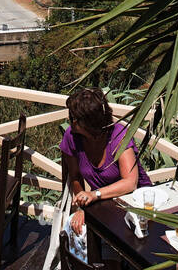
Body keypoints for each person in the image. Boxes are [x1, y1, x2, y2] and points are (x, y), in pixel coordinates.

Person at [60, 87, 152, 239]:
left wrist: (94, 194)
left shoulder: (118, 135)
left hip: (136, 203)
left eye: (73, 117)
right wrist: (82, 207)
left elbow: (130, 183)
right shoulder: (72, 137)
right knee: (77, 232)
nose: (71, 121)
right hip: (105, 204)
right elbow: (75, 176)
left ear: (88, 122)